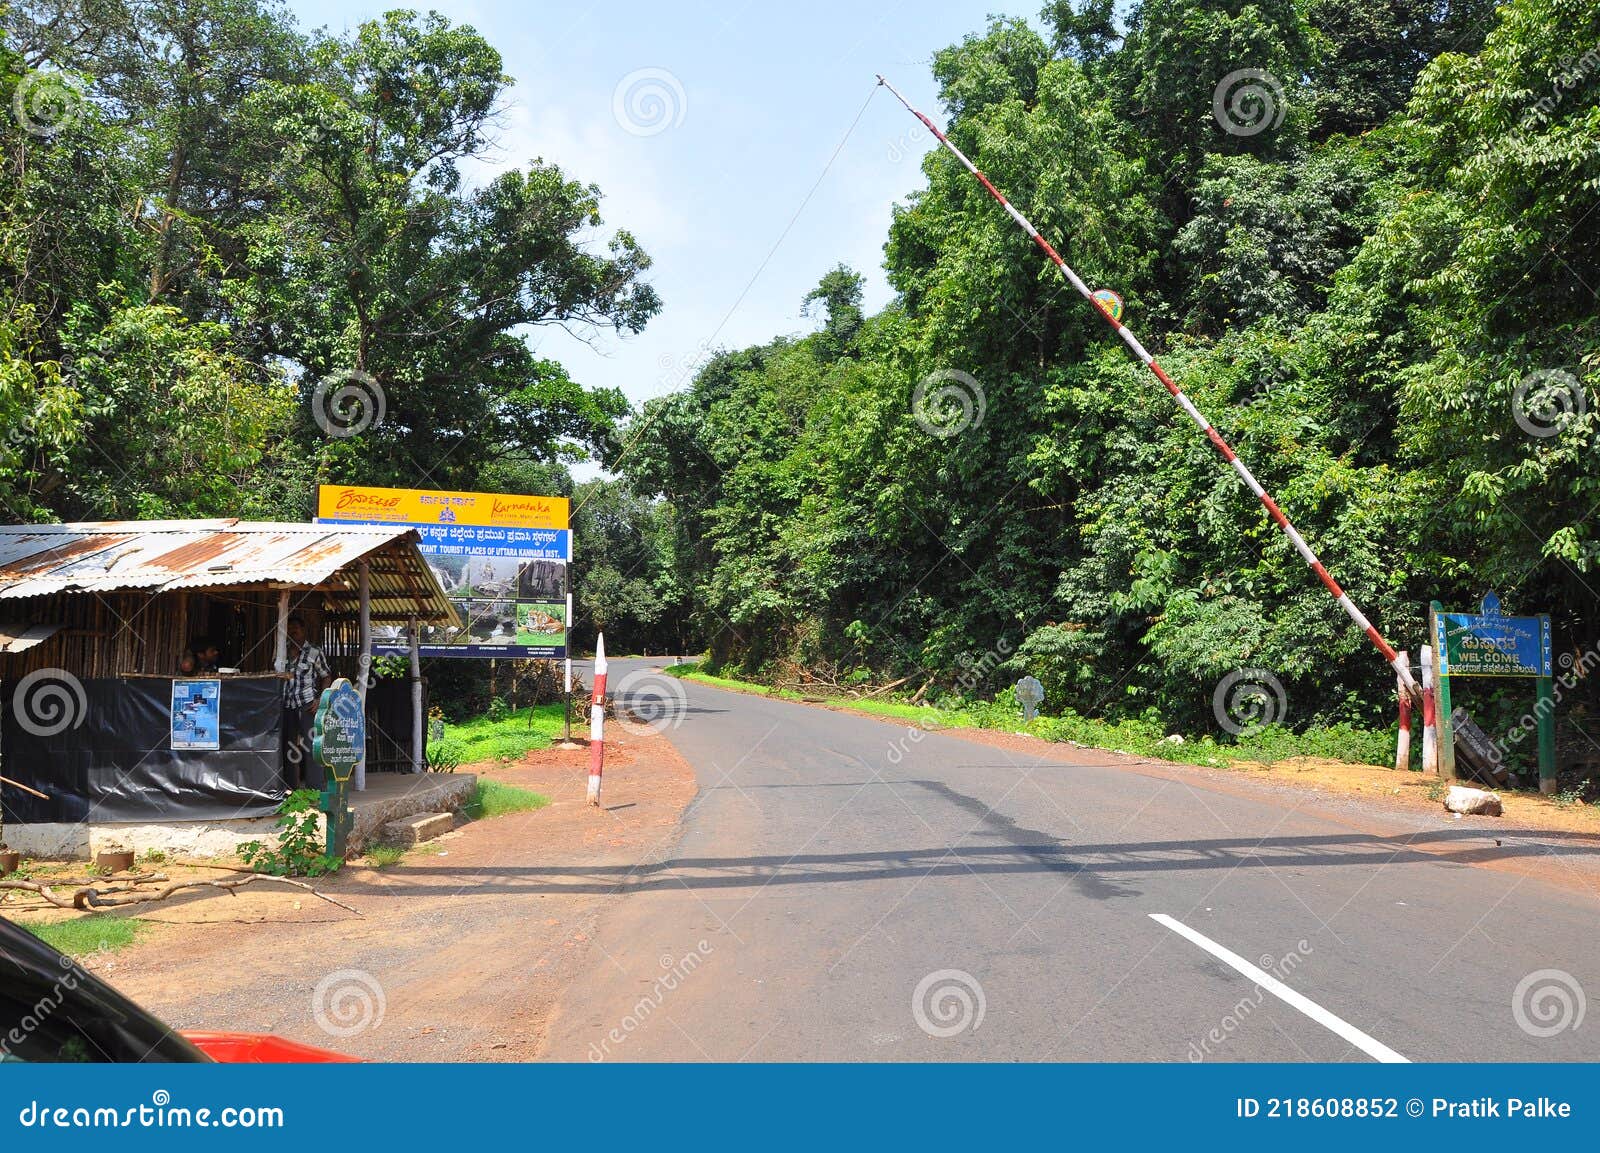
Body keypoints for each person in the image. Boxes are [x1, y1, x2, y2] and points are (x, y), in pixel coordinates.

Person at [282, 615, 332, 790]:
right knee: (288, 748)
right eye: (290, 628)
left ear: (304, 631)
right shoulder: (282, 652)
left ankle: (315, 789)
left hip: (307, 705)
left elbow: (326, 676)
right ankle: (290, 789)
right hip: (287, 705)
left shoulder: (314, 652)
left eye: (297, 627)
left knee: (312, 747)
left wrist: (321, 700)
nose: (293, 631)